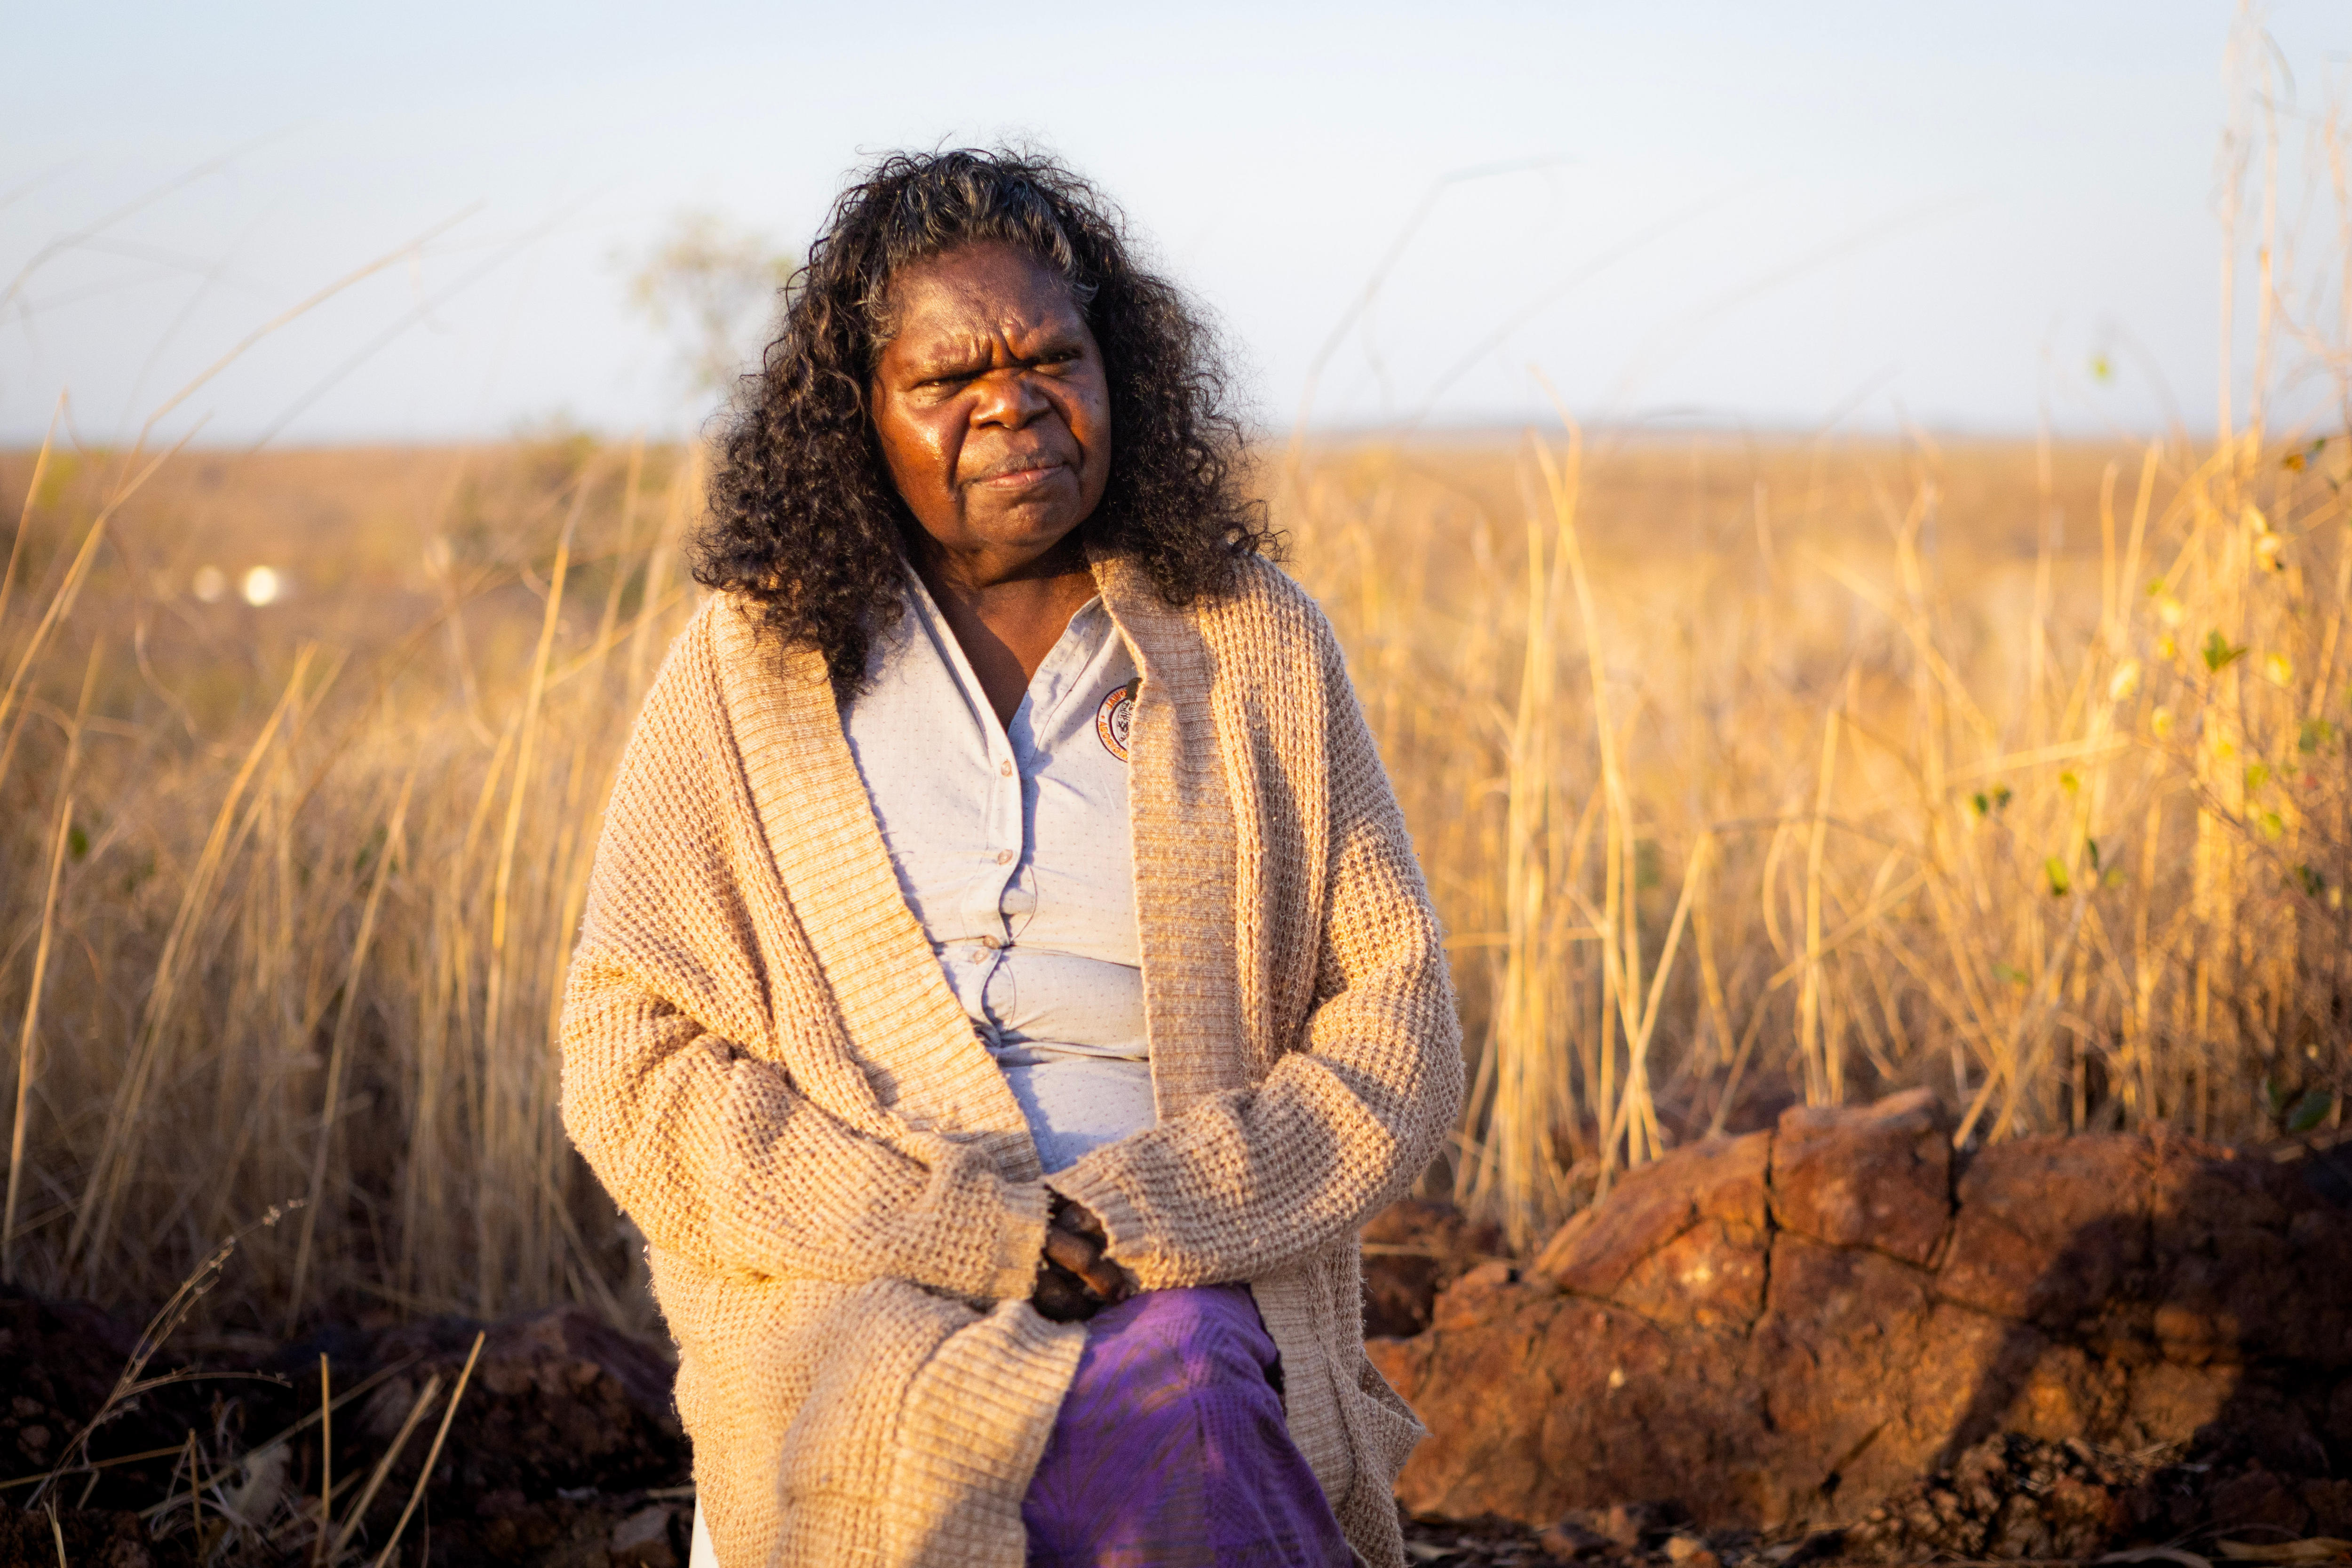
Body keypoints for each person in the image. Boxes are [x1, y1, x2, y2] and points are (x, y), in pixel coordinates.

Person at [560, 147, 1461, 1568]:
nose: (1013, 402)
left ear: (1122, 378)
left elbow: (1395, 1025)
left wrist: (1152, 1212)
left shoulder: (1252, 645)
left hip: (1180, 1263)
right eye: (947, 379)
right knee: (905, 1454)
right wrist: (949, 1228)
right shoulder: (758, 663)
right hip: (859, 1276)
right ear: (859, 416)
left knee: (1195, 1410)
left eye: (1054, 355)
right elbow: (631, 1050)